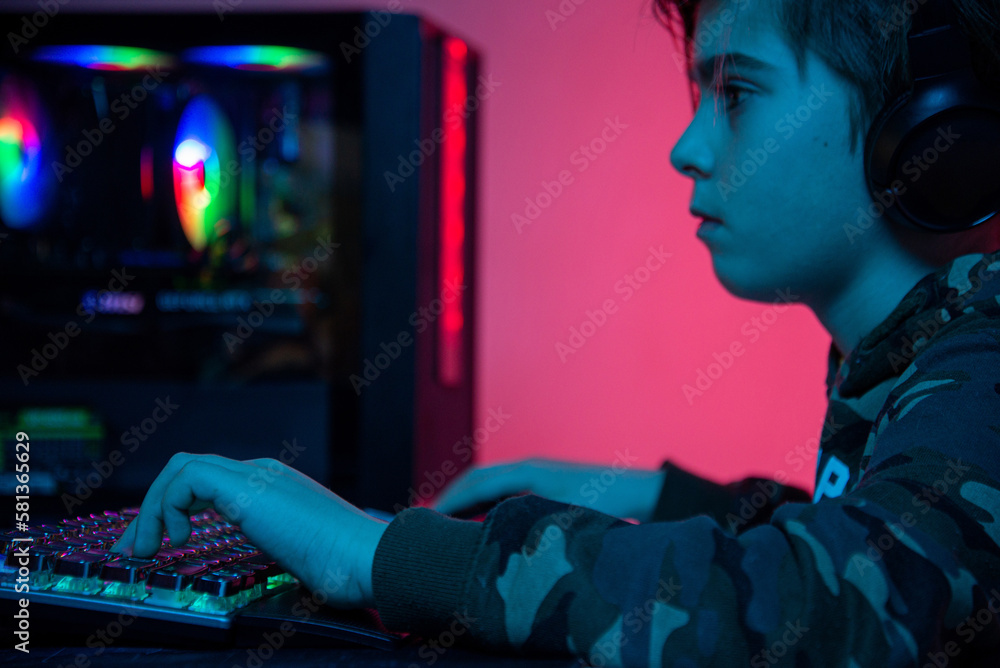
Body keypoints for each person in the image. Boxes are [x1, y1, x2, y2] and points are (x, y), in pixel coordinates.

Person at [112, 0, 1000, 664]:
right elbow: (874, 534)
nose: (687, 148)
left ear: (927, 130)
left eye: (736, 93)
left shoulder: (986, 363)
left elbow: (836, 605)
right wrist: (651, 494)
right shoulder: (912, 352)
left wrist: (378, 553)